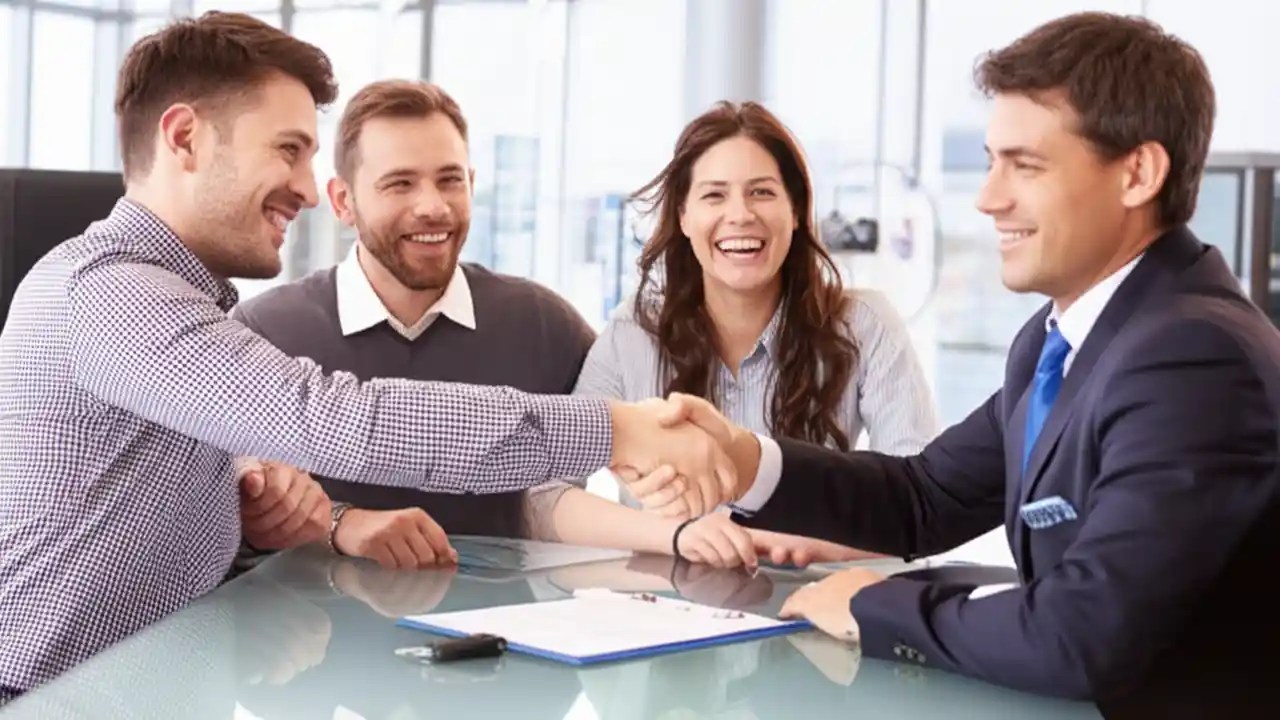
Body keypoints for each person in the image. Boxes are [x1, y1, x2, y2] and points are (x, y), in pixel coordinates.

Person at [0, 13, 732, 699]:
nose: (305, 190)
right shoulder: (108, 291)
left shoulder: (171, 300)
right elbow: (339, 418)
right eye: (288, 150)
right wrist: (617, 429)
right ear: (186, 139)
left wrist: (262, 494)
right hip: (51, 699)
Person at [653, 12, 1280, 714]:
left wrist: (874, 607)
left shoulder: (1194, 357)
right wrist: (743, 459)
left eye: (1025, 165)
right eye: (990, 162)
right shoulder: (1061, 339)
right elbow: (925, 497)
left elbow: (1083, 631)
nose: (988, 198)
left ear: (1138, 173)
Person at [234, 79, 858, 571]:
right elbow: (228, 511)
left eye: (450, 180)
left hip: (510, 651)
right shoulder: (264, 333)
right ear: (343, 201)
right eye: (400, 184)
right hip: (313, 648)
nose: (433, 205)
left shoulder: (543, 323)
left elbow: (580, 482)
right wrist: (339, 523)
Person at [572, 100, 937, 511]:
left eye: (761, 192)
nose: (740, 215)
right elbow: (549, 490)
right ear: (684, 216)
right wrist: (660, 533)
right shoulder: (633, 332)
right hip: (661, 555)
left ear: (795, 210)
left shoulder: (865, 325)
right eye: (714, 195)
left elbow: (917, 497)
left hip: (816, 556)